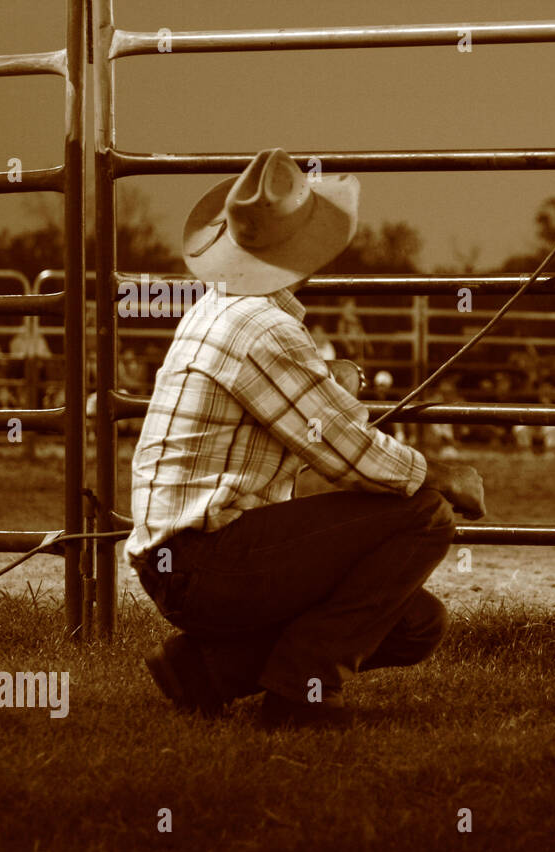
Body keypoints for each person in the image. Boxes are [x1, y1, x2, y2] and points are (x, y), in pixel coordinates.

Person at [127, 147, 485, 729]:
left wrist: (329, 380)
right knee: (427, 514)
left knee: (416, 623)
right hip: (207, 562)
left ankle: (204, 671)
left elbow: (292, 409)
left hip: (179, 559)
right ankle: (300, 697)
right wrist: (444, 475)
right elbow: (351, 457)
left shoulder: (219, 308)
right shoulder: (265, 328)